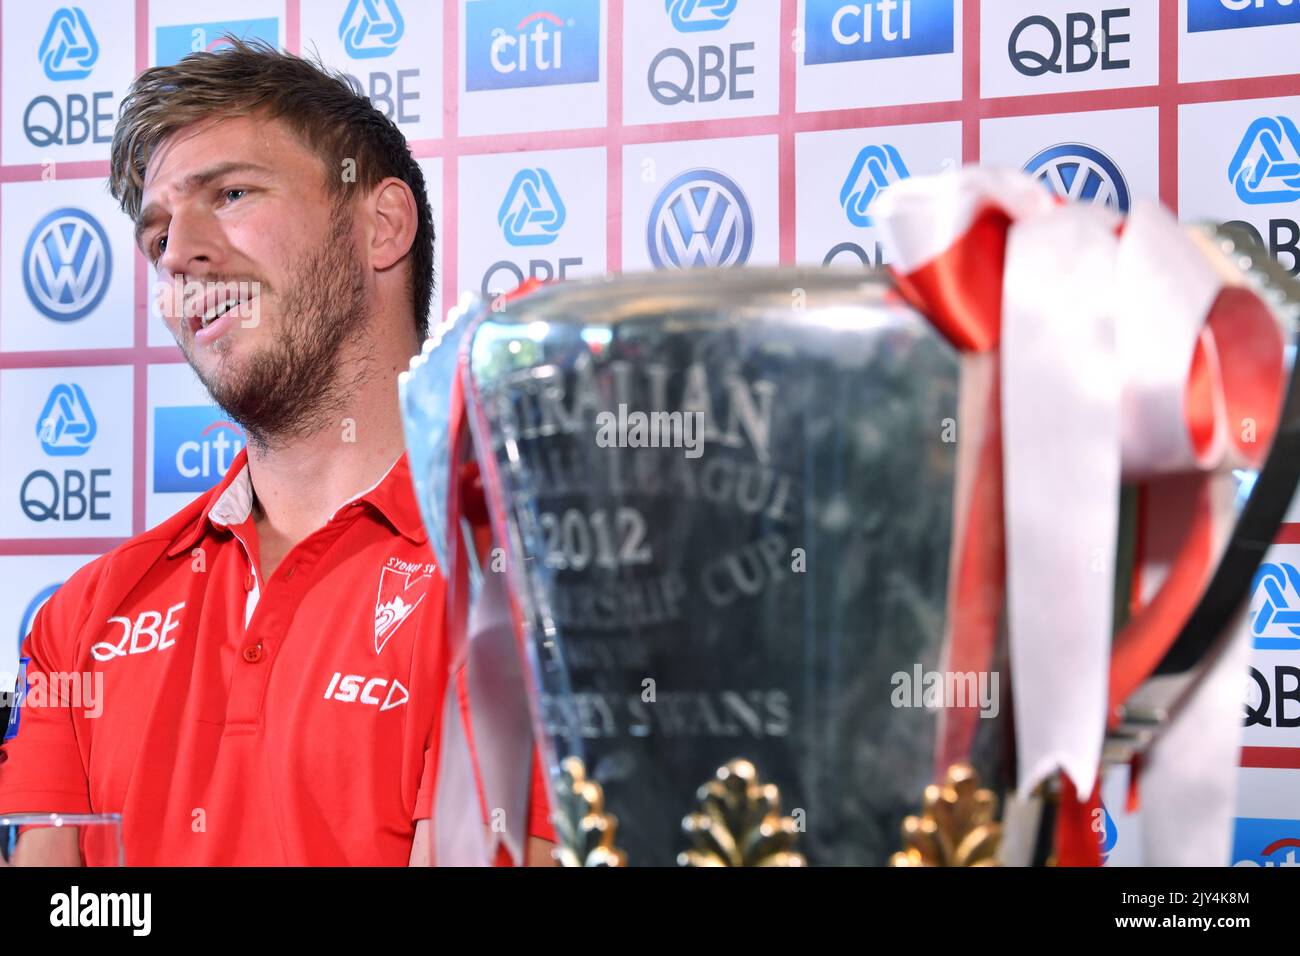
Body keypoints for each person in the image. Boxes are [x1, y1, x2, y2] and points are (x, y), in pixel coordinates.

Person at [0, 39, 554, 866]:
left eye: (229, 193)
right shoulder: (79, 622)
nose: (179, 251)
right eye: (155, 238)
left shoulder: (516, 579)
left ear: (381, 224)